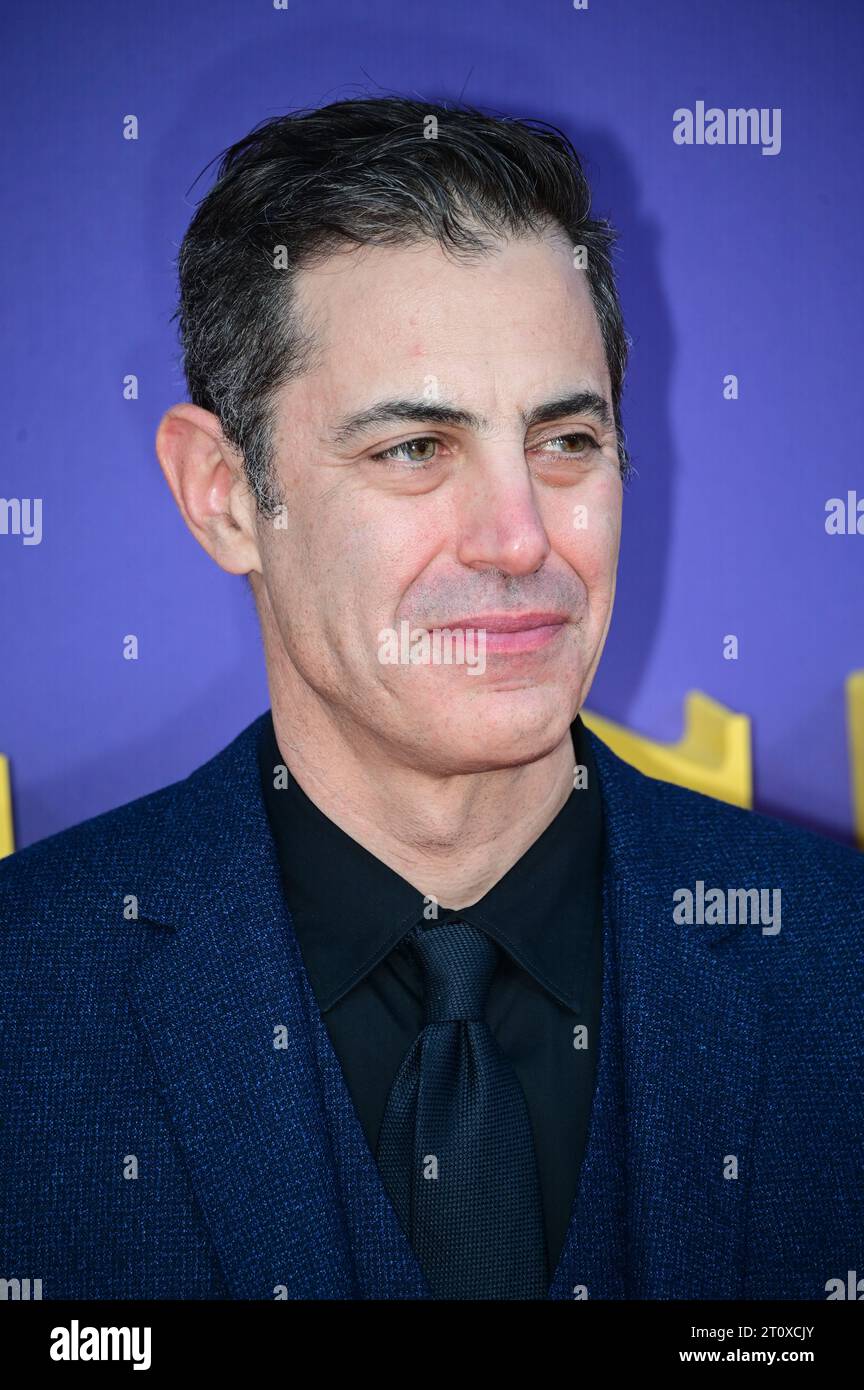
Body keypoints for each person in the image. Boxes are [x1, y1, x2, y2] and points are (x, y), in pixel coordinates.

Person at [1, 97, 861, 1301]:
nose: (521, 540)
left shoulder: (840, 959)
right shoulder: (22, 991)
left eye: (565, 439)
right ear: (225, 496)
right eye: (415, 449)